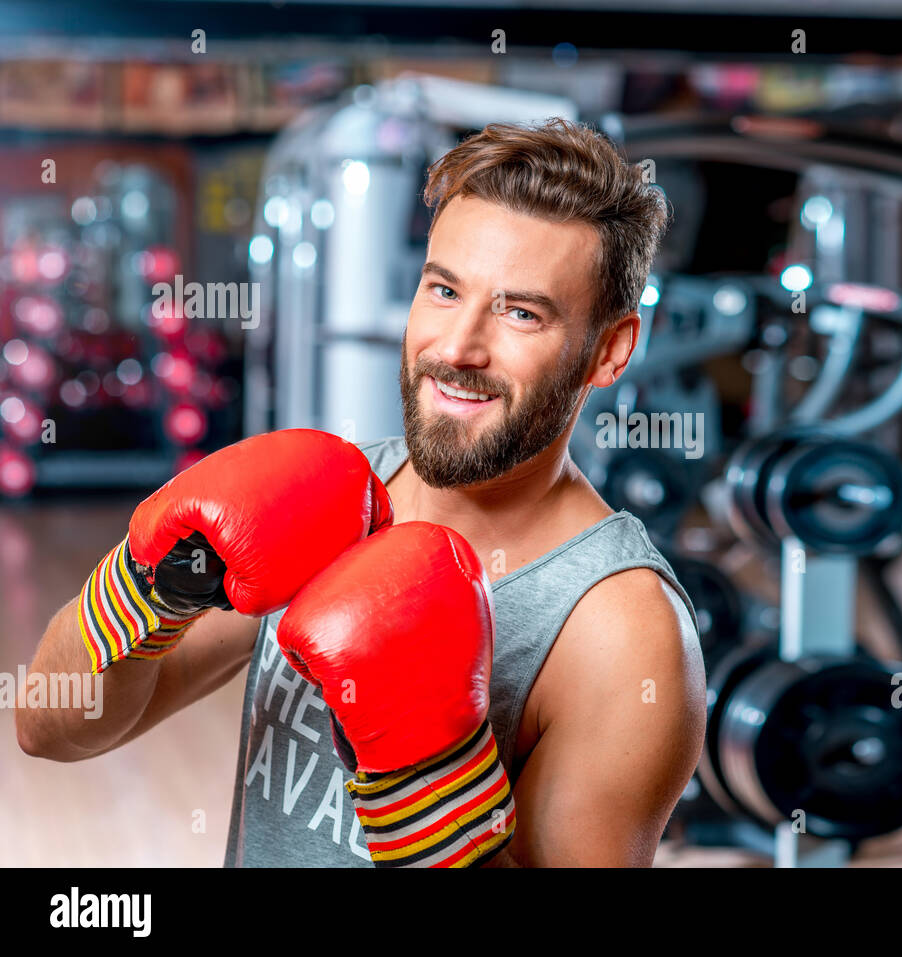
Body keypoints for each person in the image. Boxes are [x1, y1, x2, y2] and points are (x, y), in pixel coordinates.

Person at [17, 117, 707, 868]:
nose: (456, 347)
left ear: (609, 350)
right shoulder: (326, 502)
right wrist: (148, 588)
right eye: (443, 289)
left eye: (520, 312)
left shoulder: (619, 628)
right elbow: (50, 727)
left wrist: (429, 780)